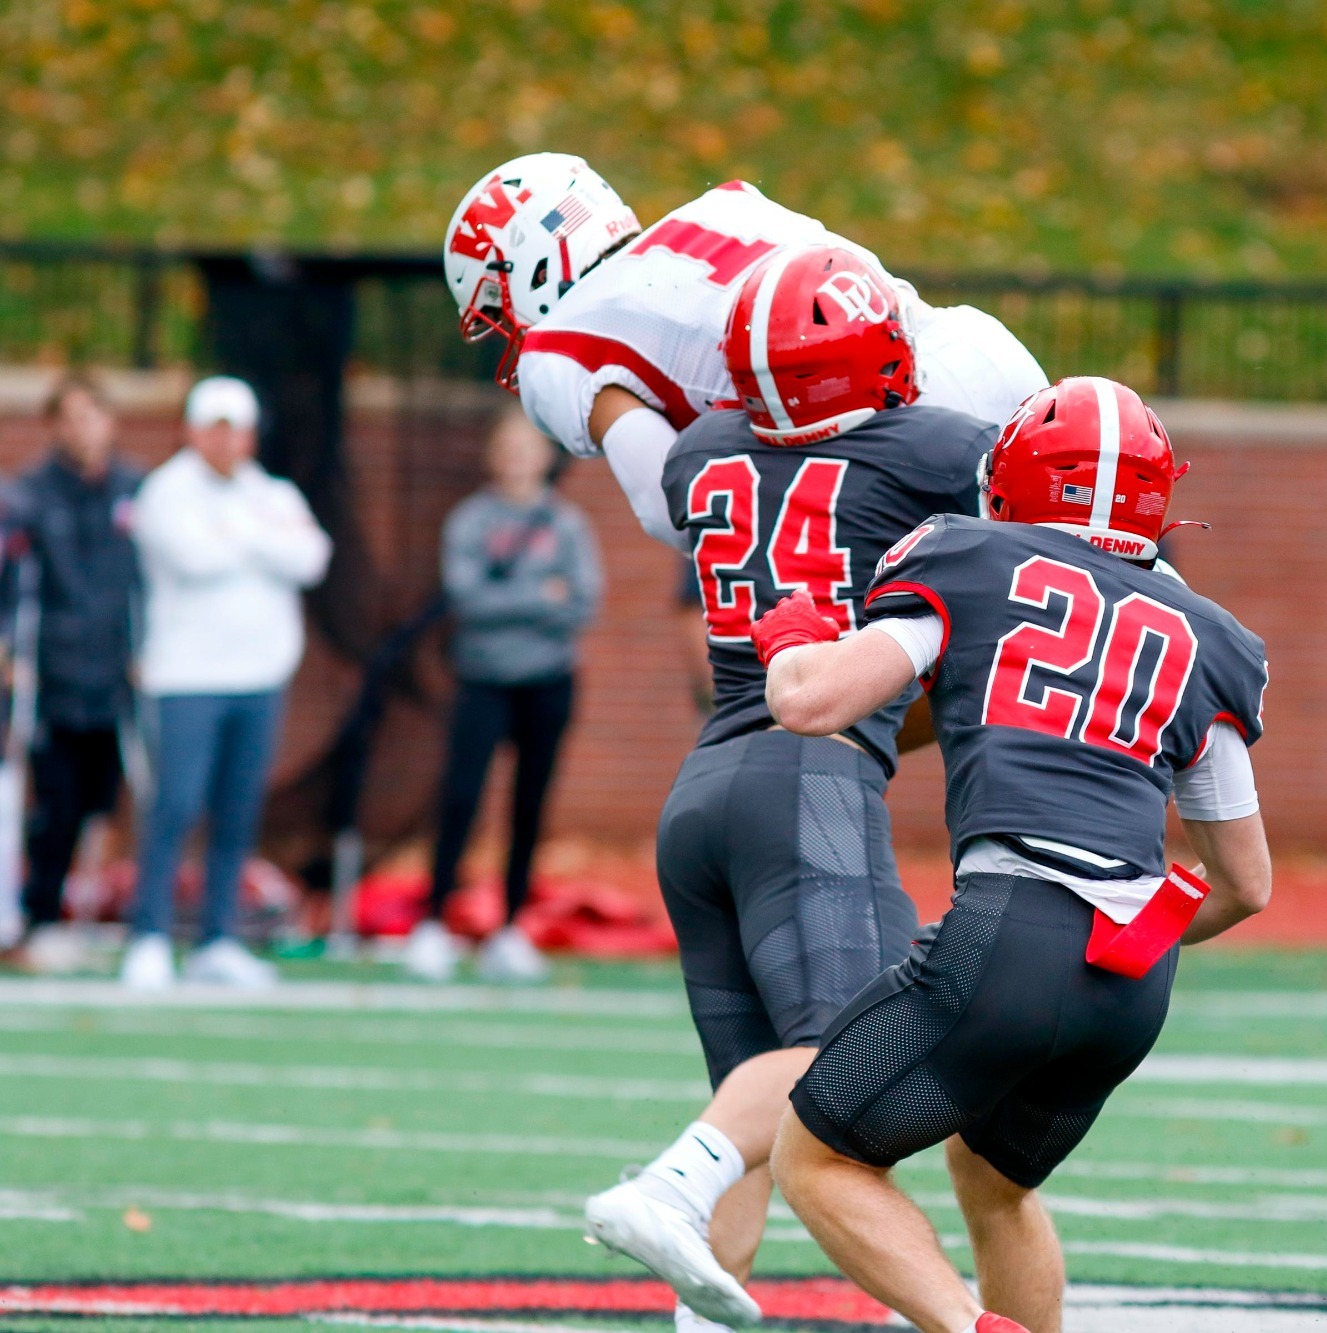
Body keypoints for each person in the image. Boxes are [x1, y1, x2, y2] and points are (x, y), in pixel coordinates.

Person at [749, 376, 1270, 1333]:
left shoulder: (972, 559)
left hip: (1008, 937)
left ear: (1013, 481)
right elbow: (1245, 883)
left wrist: (789, 640)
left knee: (813, 1156)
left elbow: (811, 703)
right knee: (993, 1180)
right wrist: (1133, 926)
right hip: (1132, 982)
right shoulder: (1206, 635)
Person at [575, 245, 1000, 1330]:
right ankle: (665, 1186)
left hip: (705, 788)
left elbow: (682, 445)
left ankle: (696, 1306)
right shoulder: (938, 448)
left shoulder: (704, 452)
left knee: (754, 1100)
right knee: (843, 1048)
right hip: (811, 780)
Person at [441, 153, 1046, 549]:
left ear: (524, 267)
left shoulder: (556, 344)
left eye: (496, 307)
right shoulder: (728, 201)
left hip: (887, 443)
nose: (509, 327)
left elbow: (670, 503)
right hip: (984, 351)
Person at [122, 377, 332, 990]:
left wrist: (241, 534)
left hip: (260, 677)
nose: (225, 441)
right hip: (186, 678)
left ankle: (217, 938)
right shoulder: (165, 491)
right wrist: (266, 539)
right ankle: (150, 935)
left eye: (235, 430)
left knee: (237, 812)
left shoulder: (273, 492)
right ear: (191, 432)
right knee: (176, 805)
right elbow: (195, 559)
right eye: (213, 429)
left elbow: (312, 558)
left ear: (250, 436)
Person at [403, 408, 602, 985]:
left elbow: (582, 602)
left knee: (530, 806)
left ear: (546, 456)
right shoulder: (470, 521)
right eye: (507, 446)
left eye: (526, 447)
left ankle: (511, 927)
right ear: (492, 454)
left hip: (549, 681)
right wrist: (541, 595)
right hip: (482, 680)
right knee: (461, 798)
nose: (517, 457)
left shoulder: (567, 524)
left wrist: (515, 597)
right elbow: (466, 599)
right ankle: (434, 924)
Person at [7, 374, 143, 975]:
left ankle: (91, 914)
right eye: (70, 416)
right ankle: (40, 917)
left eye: (93, 414)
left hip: (116, 679)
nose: (83, 428)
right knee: (53, 806)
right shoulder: (30, 496)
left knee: (104, 803)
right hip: (54, 679)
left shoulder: (135, 491)